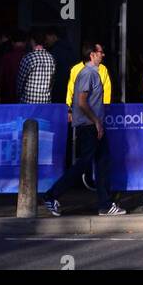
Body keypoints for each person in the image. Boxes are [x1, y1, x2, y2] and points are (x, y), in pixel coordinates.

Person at [44, 42, 126, 218]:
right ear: (92, 54)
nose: (103, 55)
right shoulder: (88, 74)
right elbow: (81, 102)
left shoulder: (93, 73)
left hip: (95, 126)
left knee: (103, 163)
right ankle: (51, 195)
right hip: (89, 127)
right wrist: (96, 121)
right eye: (100, 52)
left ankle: (105, 205)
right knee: (83, 164)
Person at [16, 30, 56, 104]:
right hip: (45, 101)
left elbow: (20, 82)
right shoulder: (51, 58)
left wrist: (18, 95)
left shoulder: (28, 58)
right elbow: (52, 81)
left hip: (28, 101)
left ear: (32, 41)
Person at [46, 27, 77, 104]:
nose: (46, 41)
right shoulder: (70, 49)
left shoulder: (55, 51)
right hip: (69, 85)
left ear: (53, 36)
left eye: (47, 38)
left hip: (58, 87)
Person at [0, 29, 29, 103]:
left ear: (12, 42)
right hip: (25, 96)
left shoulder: (6, 57)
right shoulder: (28, 56)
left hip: (8, 96)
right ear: (25, 42)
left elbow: (0, 78)